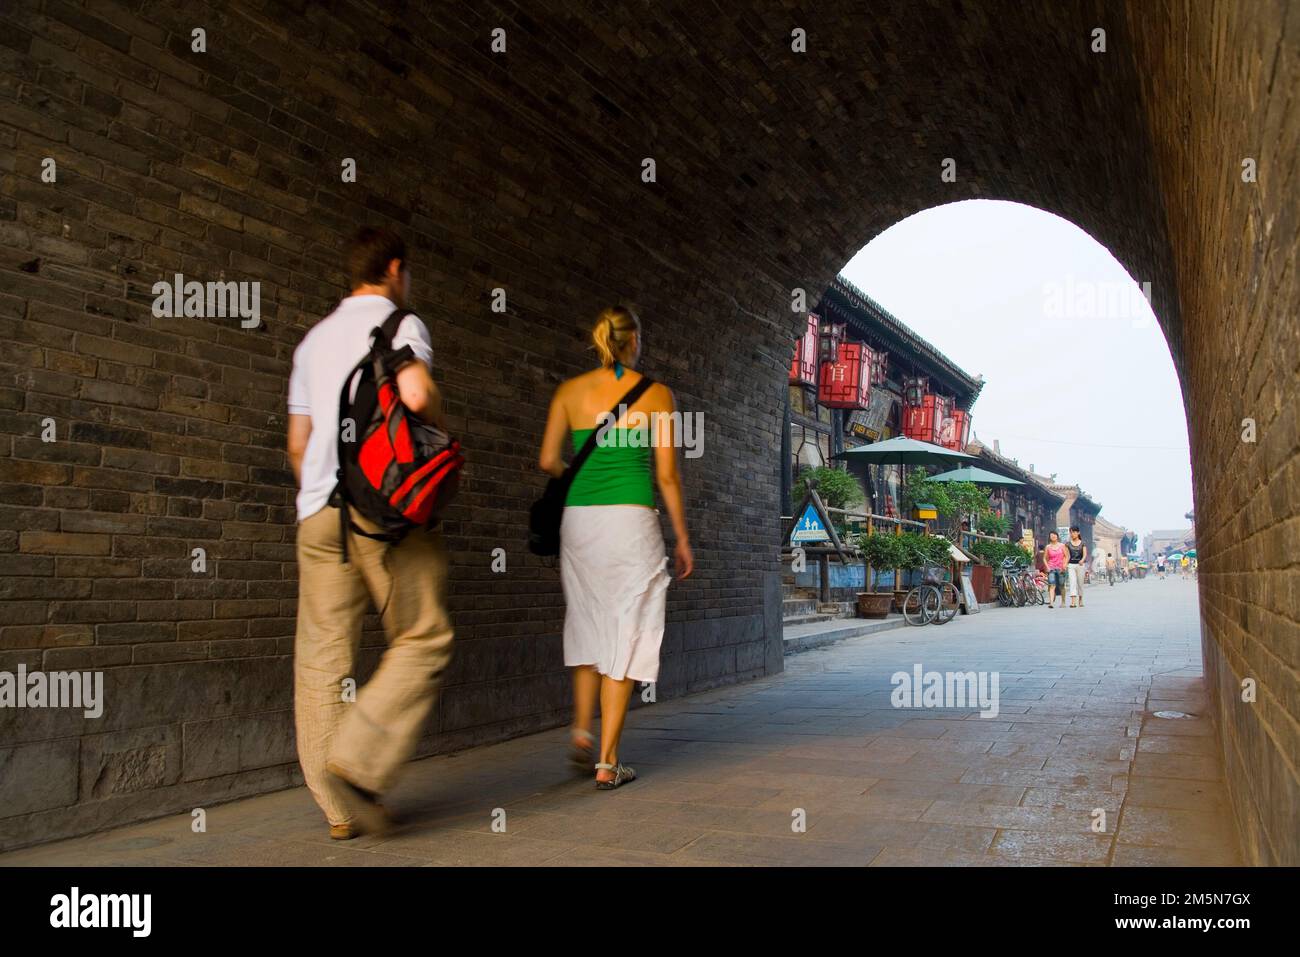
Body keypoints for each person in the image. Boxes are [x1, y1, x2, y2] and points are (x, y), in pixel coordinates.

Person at [287, 227, 454, 840]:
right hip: (385, 513)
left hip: (317, 511)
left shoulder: (310, 344)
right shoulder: (400, 324)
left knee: (323, 657)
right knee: (424, 635)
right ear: (394, 270)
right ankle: (359, 764)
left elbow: (298, 445)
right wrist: (439, 421)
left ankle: (336, 810)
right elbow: (413, 394)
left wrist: (320, 492)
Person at [538, 306, 693, 789]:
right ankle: (607, 761)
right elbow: (666, 474)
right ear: (634, 342)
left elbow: (548, 460)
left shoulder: (568, 391)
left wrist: (582, 479)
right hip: (630, 521)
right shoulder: (657, 394)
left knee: (587, 619)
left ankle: (582, 729)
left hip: (579, 524)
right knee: (627, 628)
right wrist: (683, 536)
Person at [1043, 531, 1068, 608]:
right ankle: (1051, 603)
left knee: (1061, 585)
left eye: (1054, 535)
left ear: (1057, 536)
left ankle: (1063, 602)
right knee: (1052, 585)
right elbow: (1044, 558)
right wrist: (1047, 567)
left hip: (1061, 568)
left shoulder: (1062, 546)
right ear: (1049, 537)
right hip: (1051, 569)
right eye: (1051, 535)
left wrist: (1065, 565)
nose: (1053, 536)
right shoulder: (1048, 547)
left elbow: (1066, 556)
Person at [1066, 526, 1087, 607]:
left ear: (1078, 533)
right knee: (1072, 582)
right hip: (1071, 565)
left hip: (1080, 565)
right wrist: (1065, 564)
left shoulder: (1083, 543)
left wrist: (1082, 560)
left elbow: (1085, 554)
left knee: (1080, 583)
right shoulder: (1067, 544)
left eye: (1074, 532)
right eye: (1071, 532)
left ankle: (1080, 599)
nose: (1073, 534)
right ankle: (1073, 602)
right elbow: (1067, 556)